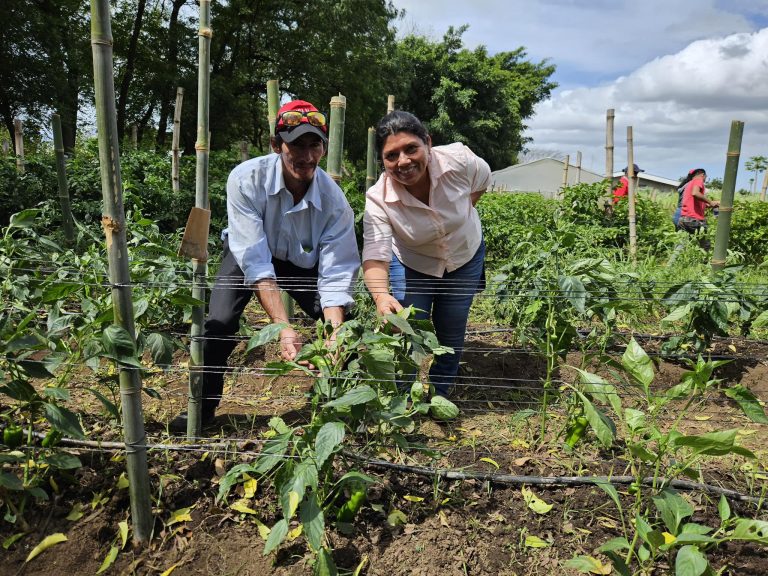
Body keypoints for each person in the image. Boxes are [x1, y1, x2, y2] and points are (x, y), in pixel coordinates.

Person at [170, 99, 360, 432]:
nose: (306, 155)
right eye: (295, 145)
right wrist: (283, 328)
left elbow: (335, 274)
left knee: (347, 330)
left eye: (314, 144)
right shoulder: (246, 179)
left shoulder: (334, 202)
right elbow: (256, 261)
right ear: (276, 145)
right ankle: (201, 409)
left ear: (324, 147)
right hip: (247, 257)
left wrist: (333, 335)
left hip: (300, 264)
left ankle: (345, 406)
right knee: (218, 323)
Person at [361, 111, 491, 397]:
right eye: (391, 155)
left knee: (452, 330)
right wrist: (382, 297)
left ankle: (439, 394)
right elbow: (375, 254)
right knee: (408, 328)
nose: (403, 161)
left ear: (428, 143)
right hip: (412, 262)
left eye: (411, 149)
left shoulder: (459, 160)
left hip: (463, 255)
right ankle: (403, 399)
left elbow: (482, 181)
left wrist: (459, 215)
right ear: (382, 162)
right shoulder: (378, 199)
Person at [678, 168, 719, 250]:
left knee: (681, 245)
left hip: (684, 219)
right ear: (702, 175)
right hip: (694, 219)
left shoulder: (688, 184)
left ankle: (671, 263)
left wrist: (713, 204)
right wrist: (711, 202)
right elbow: (695, 193)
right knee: (705, 246)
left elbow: (695, 202)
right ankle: (706, 262)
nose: (705, 179)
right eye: (706, 177)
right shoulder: (698, 180)